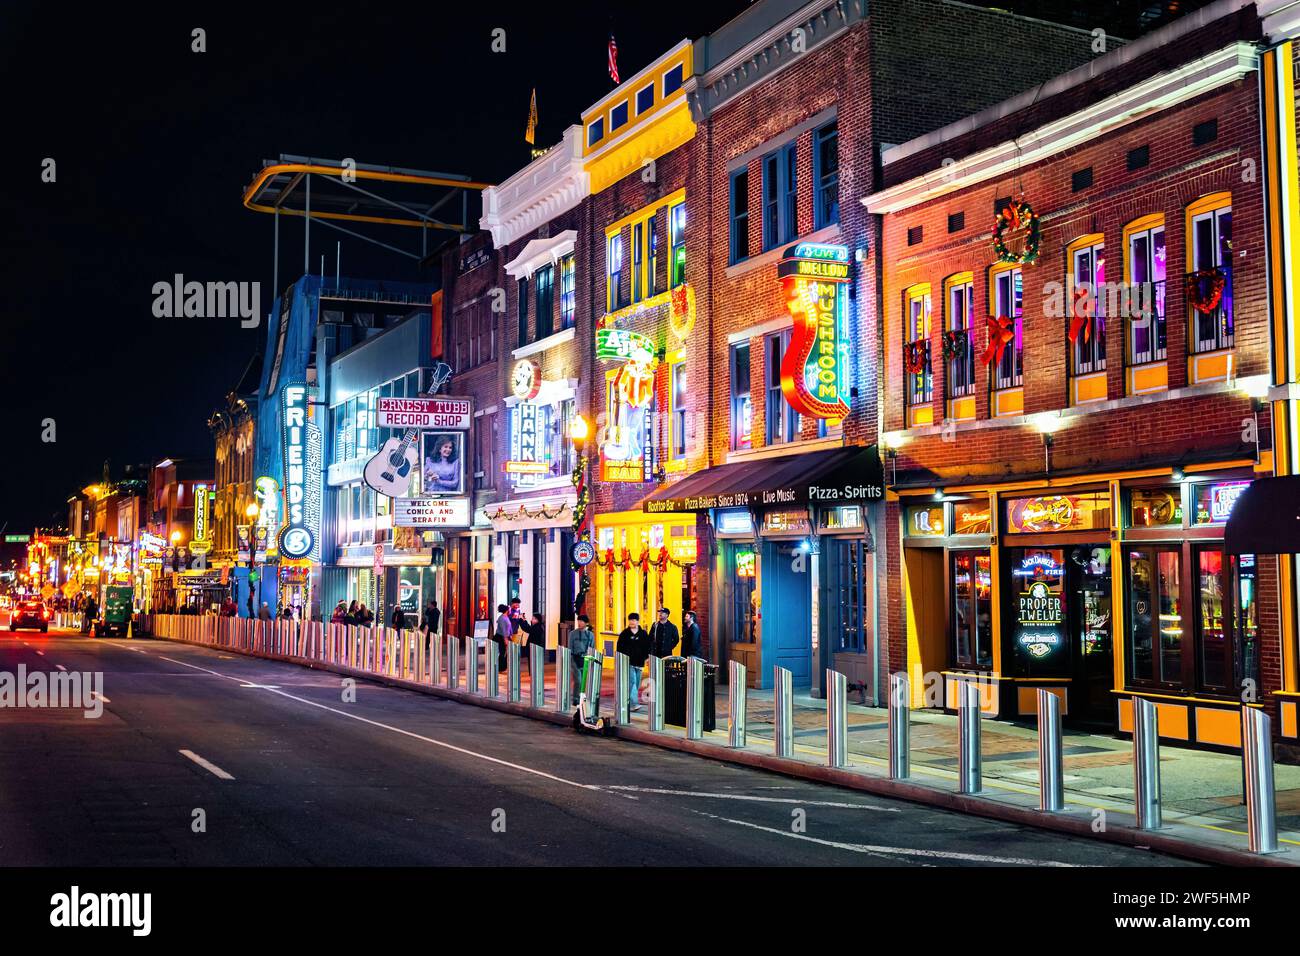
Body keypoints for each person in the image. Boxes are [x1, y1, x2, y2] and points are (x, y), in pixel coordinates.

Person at [615, 612, 651, 712]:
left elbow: (648, 646)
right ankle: (634, 704)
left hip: (639, 662)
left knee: (637, 684)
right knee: (632, 682)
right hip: (628, 662)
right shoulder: (624, 634)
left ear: (638, 621)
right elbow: (619, 647)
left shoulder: (643, 633)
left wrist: (647, 657)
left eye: (634, 620)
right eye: (630, 620)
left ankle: (627, 701)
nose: (631, 622)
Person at [569, 614, 595, 702]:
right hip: (574, 658)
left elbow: (592, 647)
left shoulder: (590, 635)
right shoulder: (572, 634)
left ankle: (583, 697)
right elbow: (570, 647)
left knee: (585, 680)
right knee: (578, 679)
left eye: (581, 621)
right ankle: (576, 698)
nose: (579, 623)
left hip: (585, 658)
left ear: (586, 623)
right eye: (578, 621)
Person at [520, 612, 545, 678]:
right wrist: (524, 620)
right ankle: (534, 675)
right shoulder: (538, 626)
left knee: (533, 663)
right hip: (535, 648)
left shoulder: (537, 627)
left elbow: (527, 629)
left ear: (537, 620)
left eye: (533, 619)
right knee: (533, 663)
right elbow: (529, 628)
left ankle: (534, 676)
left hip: (534, 649)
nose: (531, 620)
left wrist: (521, 620)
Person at [493, 603, 512, 673]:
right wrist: (506, 639)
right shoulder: (502, 618)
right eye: (509, 609)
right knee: (502, 652)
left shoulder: (505, 617)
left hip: (504, 637)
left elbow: (509, 628)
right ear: (507, 610)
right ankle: (500, 668)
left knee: (504, 652)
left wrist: (510, 635)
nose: (510, 610)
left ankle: (502, 667)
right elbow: (504, 630)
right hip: (500, 637)